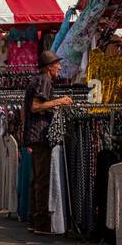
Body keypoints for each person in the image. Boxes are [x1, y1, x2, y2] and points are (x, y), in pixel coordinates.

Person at [23, 50, 72, 234]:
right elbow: (35, 106)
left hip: (34, 135)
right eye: (57, 64)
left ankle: (34, 221)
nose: (60, 67)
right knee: (42, 180)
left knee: (37, 179)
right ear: (50, 67)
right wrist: (59, 101)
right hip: (39, 135)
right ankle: (41, 224)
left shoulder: (36, 80)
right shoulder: (43, 80)